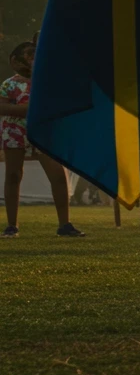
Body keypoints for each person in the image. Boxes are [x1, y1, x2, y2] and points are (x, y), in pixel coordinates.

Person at [2, 39, 84, 237]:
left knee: (57, 174)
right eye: (28, 55)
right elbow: (2, 107)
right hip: (14, 131)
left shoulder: (48, 81)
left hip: (45, 131)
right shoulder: (9, 84)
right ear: (15, 61)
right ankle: (12, 225)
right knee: (13, 175)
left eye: (35, 55)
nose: (32, 59)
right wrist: (29, 110)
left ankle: (64, 224)